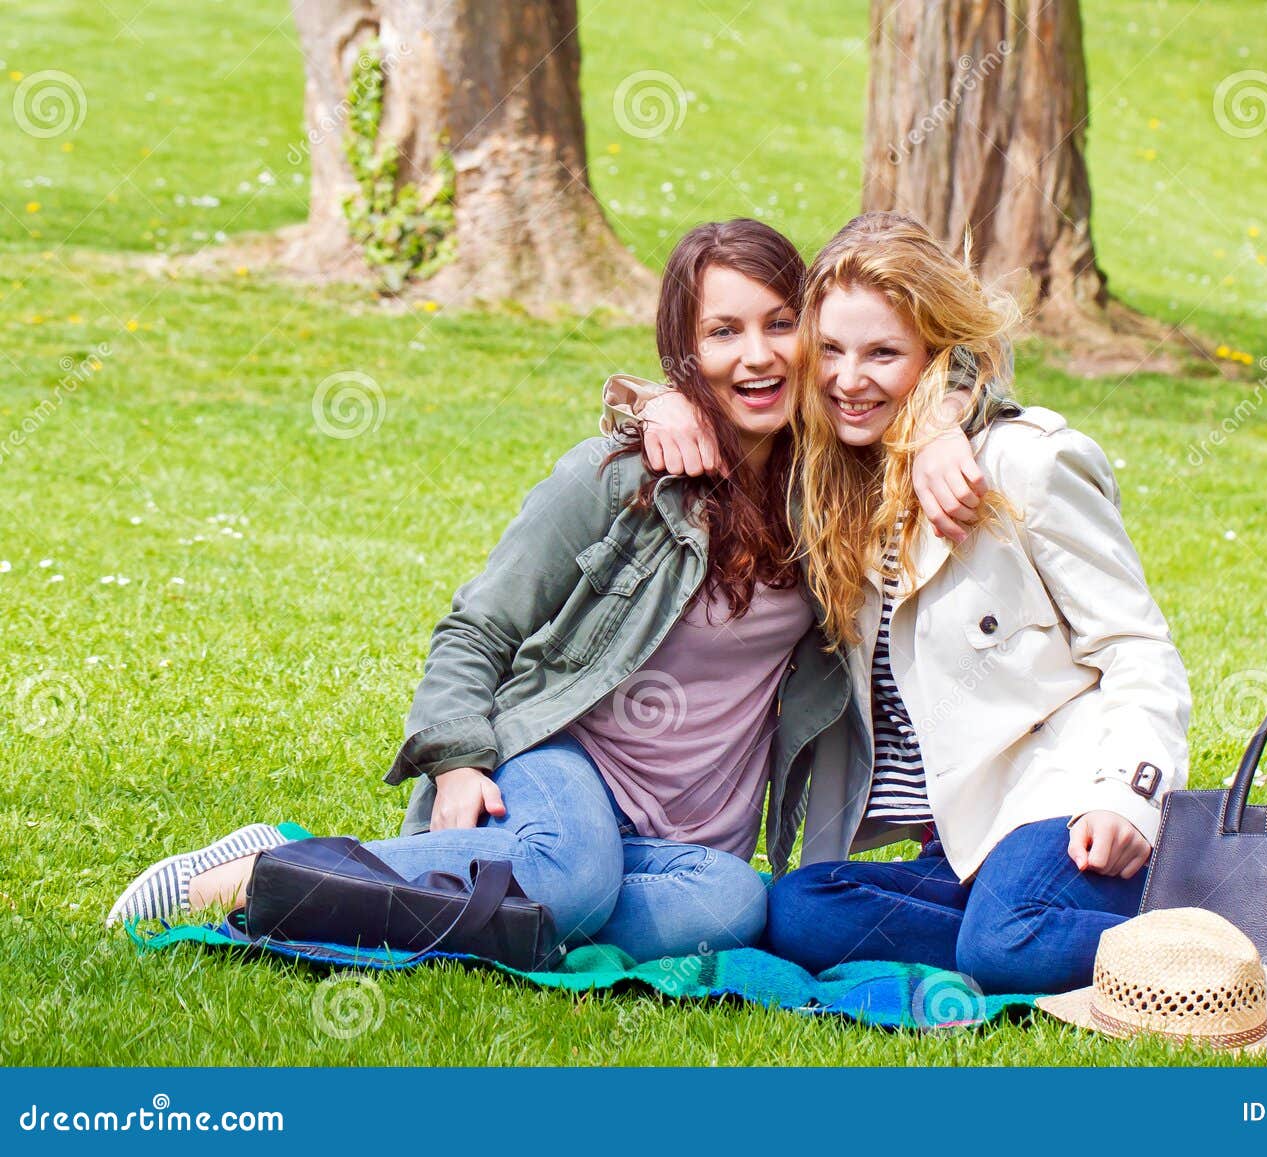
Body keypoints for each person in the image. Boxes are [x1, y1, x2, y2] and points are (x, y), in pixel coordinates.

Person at [106, 219, 859, 963]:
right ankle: (260, 873)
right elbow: (479, 626)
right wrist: (457, 759)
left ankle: (466, 887)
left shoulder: (833, 491)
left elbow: (940, 361)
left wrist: (954, 434)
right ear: (686, 354)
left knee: (732, 904)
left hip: (688, 845)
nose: (758, 355)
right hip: (561, 765)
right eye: (723, 331)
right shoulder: (619, 477)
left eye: (781, 323)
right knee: (571, 875)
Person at [622, 212, 1192, 993]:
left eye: (884, 352)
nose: (849, 380)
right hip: (963, 840)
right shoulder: (828, 483)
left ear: (935, 352)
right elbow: (722, 403)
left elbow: (1137, 649)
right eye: (830, 350)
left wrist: (1127, 795)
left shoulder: (1024, 467)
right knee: (800, 911)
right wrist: (665, 405)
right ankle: (1018, 921)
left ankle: (1218, 929)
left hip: (1064, 799)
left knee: (1004, 949)